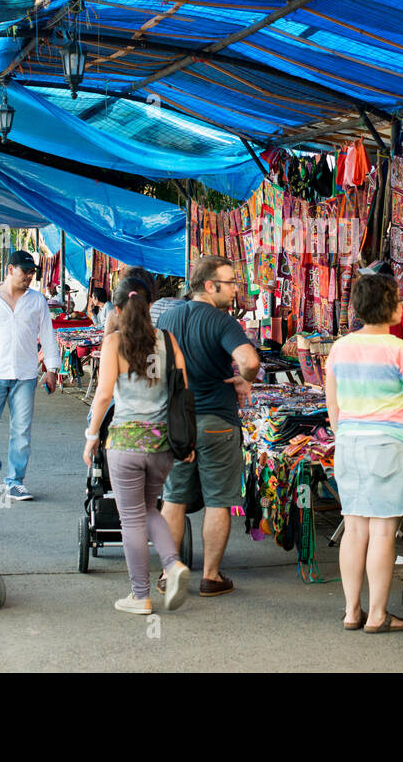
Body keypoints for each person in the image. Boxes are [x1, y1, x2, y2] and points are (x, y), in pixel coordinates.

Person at [326, 271, 403, 633]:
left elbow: (333, 406)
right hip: (387, 447)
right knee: (383, 532)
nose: (401, 305)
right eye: (397, 300)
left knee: (353, 529)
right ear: (387, 306)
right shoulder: (399, 349)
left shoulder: (340, 348)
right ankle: (378, 615)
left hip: (348, 445)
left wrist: (347, 435)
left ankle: (352, 612)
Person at [84, 280, 193, 615]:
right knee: (150, 510)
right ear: (150, 307)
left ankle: (140, 596)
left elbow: (102, 396)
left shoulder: (114, 343)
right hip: (162, 444)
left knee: (130, 518)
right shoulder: (167, 341)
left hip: (125, 443)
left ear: (116, 309)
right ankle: (172, 565)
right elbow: (183, 390)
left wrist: (91, 437)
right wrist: (187, 439)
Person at [158, 256, 261, 598]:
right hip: (217, 420)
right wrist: (244, 381)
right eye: (230, 283)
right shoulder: (221, 321)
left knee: (173, 499)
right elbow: (250, 361)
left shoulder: (167, 317)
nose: (235, 290)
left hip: (177, 423)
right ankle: (211, 577)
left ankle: (169, 572)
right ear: (209, 285)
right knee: (219, 500)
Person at [0, 250, 59, 500]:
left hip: (25, 374)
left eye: (32, 272)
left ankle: (15, 480)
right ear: (10, 270)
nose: (29, 277)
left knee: (22, 430)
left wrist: (52, 370)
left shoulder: (37, 300)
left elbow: (47, 334)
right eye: (25, 271)